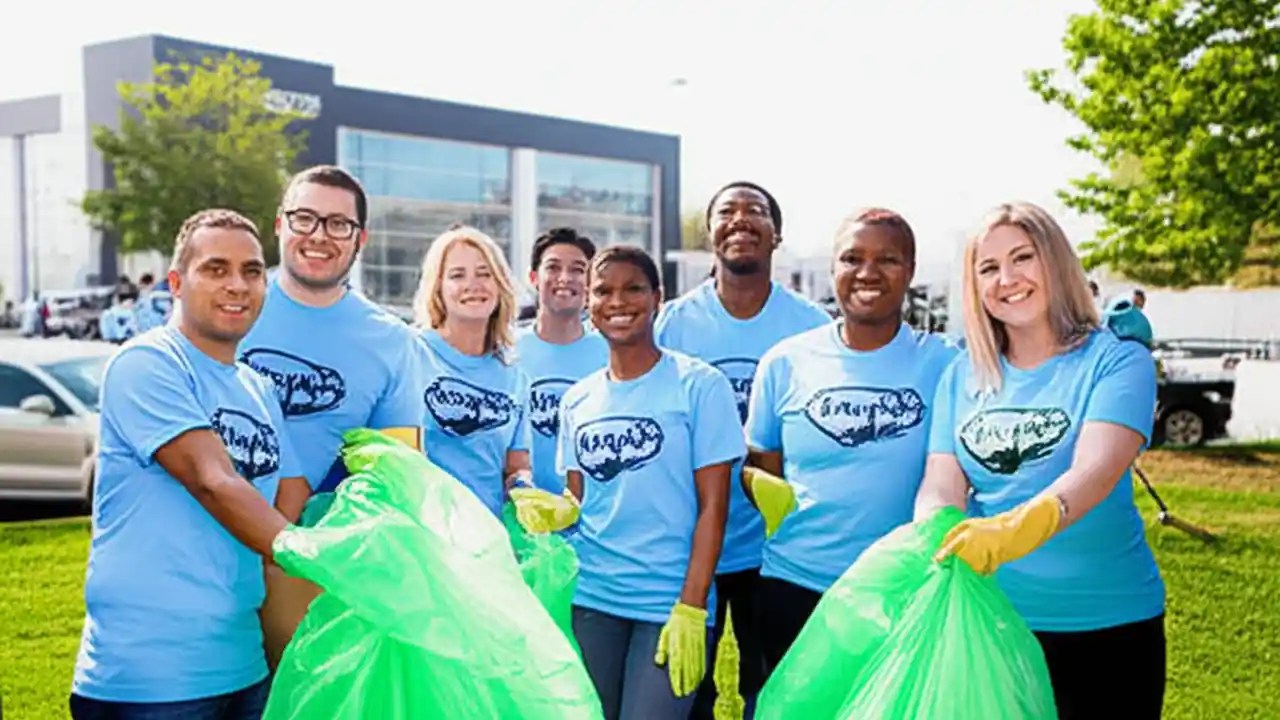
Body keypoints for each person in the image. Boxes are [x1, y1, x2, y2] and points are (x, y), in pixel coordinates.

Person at [916, 201, 1164, 720]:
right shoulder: (961, 374)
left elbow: (1096, 471)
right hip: (993, 622)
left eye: (1022, 257)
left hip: (1107, 627)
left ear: (1054, 262)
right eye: (988, 268)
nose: (1007, 279)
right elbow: (942, 478)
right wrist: (936, 528)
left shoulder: (1117, 359)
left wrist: (1014, 529)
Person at [70, 209, 301, 719]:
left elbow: (289, 490)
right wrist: (320, 554)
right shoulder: (148, 363)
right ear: (176, 282)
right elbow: (212, 480)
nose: (237, 285)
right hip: (151, 678)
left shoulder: (257, 386)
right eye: (215, 269)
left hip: (244, 661)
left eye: (252, 271)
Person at [742, 208, 958, 671]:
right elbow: (763, 463)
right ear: (832, 270)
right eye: (852, 258)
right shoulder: (784, 363)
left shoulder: (945, 364)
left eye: (888, 259)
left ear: (911, 271)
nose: (868, 272)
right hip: (796, 585)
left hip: (902, 587)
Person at [654, 181, 830, 717]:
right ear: (709, 233)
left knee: (771, 685)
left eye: (756, 211)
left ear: (778, 235)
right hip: (691, 536)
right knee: (689, 686)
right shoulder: (674, 324)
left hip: (776, 546)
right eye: (727, 211)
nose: (741, 220)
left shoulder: (813, 327)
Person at [552, 245, 744, 720]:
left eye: (633, 288)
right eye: (604, 291)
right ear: (589, 304)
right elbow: (576, 502)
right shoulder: (578, 400)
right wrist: (549, 513)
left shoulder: (699, 385)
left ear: (658, 297)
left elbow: (714, 508)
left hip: (667, 602)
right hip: (592, 597)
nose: (618, 301)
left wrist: (692, 606)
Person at [238, 165, 423, 520]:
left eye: (339, 224)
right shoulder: (230, 307)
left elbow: (395, 472)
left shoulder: (391, 341)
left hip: (313, 557)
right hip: (203, 547)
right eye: (304, 218)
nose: (319, 236)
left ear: (361, 239)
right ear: (280, 225)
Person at [411, 224, 533, 516]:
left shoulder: (514, 377)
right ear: (438, 288)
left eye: (484, 274)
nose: (473, 285)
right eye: (457, 275)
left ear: (500, 284)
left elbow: (516, 468)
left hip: (488, 544)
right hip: (422, 538)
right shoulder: (410, 355)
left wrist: (524, 489)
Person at [515, 227, 609, 494]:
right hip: (519, 513)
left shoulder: (611, 354)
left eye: (578, 270)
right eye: (553, 268)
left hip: (590, 518)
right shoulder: (506, 350)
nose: (565, 278)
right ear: (534, 277)